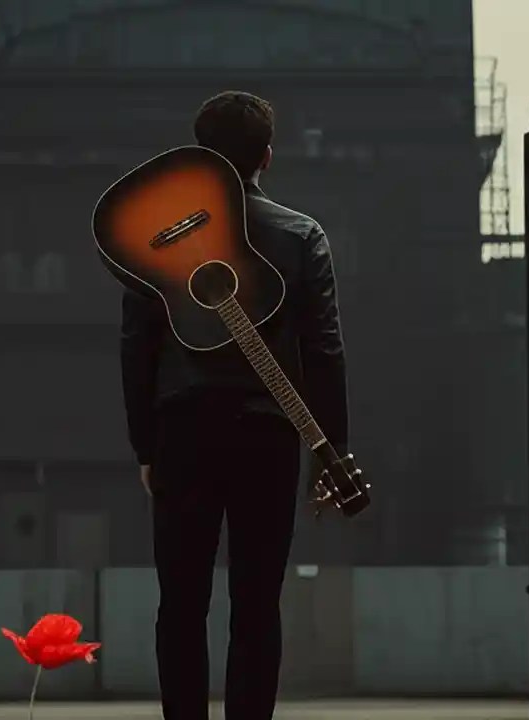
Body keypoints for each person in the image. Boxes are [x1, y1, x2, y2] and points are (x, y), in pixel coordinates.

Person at [118, 90, 350, 720]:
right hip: (268, 434)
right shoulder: (302, 234)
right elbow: (324, 350)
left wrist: (145, 445)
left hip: (182, 429)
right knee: (256, 603)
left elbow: (136, 343)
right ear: (267, 157)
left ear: (198, 159)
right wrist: (333, 452)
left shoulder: (160, 237)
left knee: (181, 603)